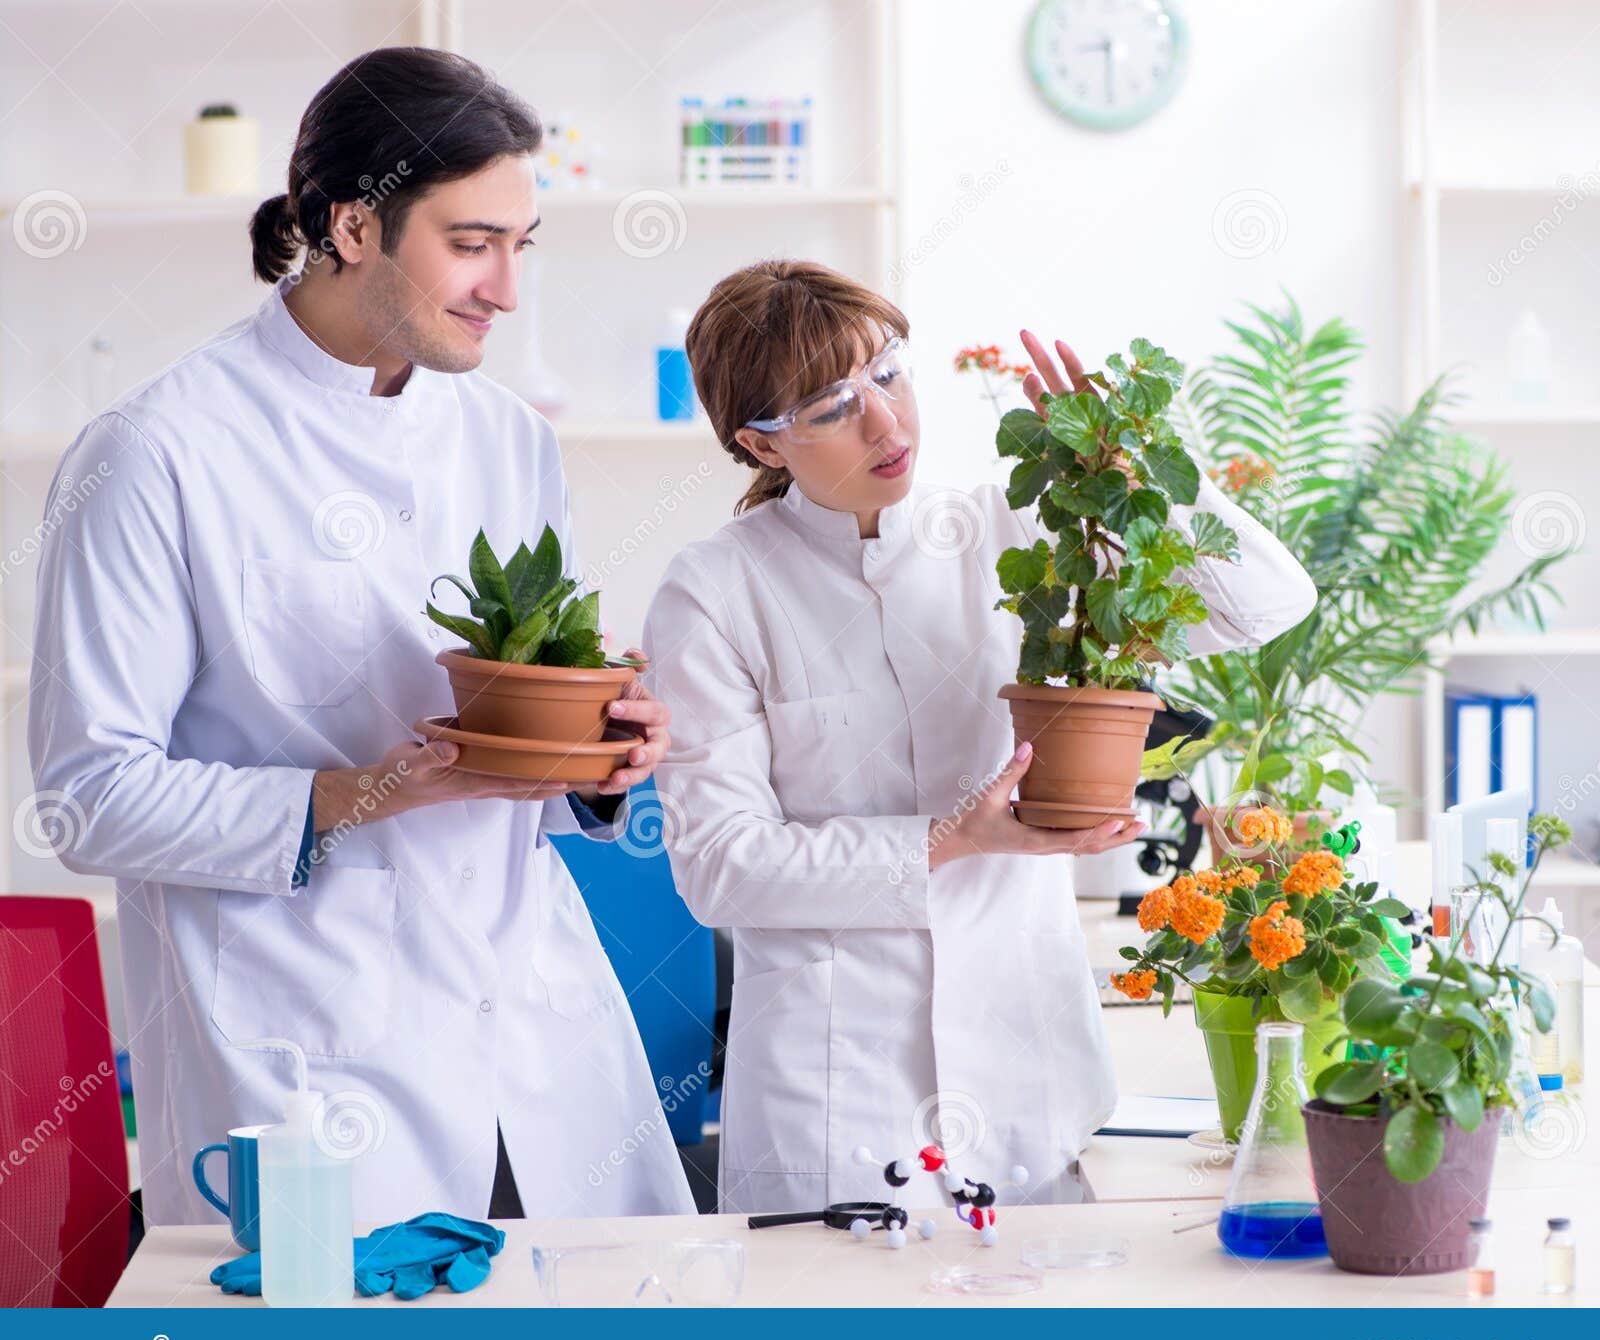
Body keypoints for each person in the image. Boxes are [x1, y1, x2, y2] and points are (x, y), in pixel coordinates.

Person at [28, 48, 694, 1226]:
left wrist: (596, 758)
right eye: (470, 241)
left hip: (533, 1034)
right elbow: (90, 797)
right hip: (309, 1047)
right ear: (350, 225)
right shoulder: (155, 453)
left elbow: (521, 731)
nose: (505, 289)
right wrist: (363, 794)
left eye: (519, 245)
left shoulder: (508, 441)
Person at [641, 260, 1318, 1212]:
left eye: (888, 373)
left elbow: (1269, 605)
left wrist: (1135, 465)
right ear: (762, 442)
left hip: (1031, 1091)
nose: (885, 420)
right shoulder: (714, 592)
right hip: (832, 1108)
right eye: (832, 407)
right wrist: (945, 842)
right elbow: (720, 866)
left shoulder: (1011, 529)